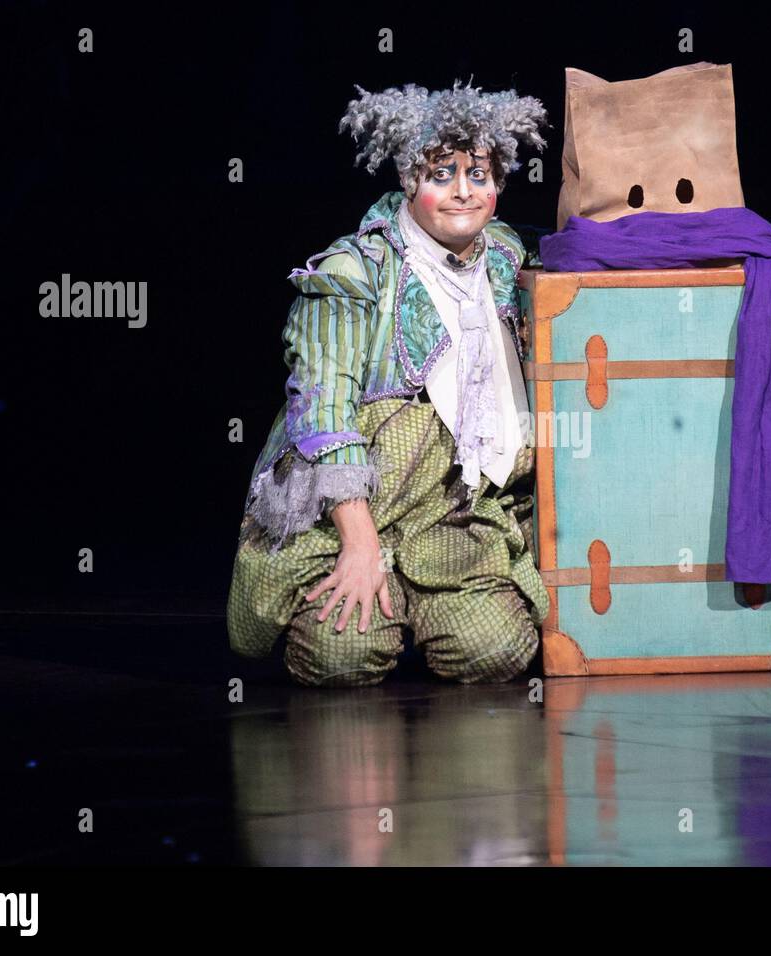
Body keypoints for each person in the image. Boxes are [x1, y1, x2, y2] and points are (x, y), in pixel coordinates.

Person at [226, 79, 551, 687]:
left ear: (500, 185)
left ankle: (432, 606)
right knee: (339, 657)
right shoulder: (354, 270)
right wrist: (359, 543)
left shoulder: (508, 259)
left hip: (451, 515)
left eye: (478, 174)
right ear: (408, 181)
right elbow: (323, 409)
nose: (462, 191)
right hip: (351, 513)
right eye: (442, 173)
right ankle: (365, 591)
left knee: (496, 651)